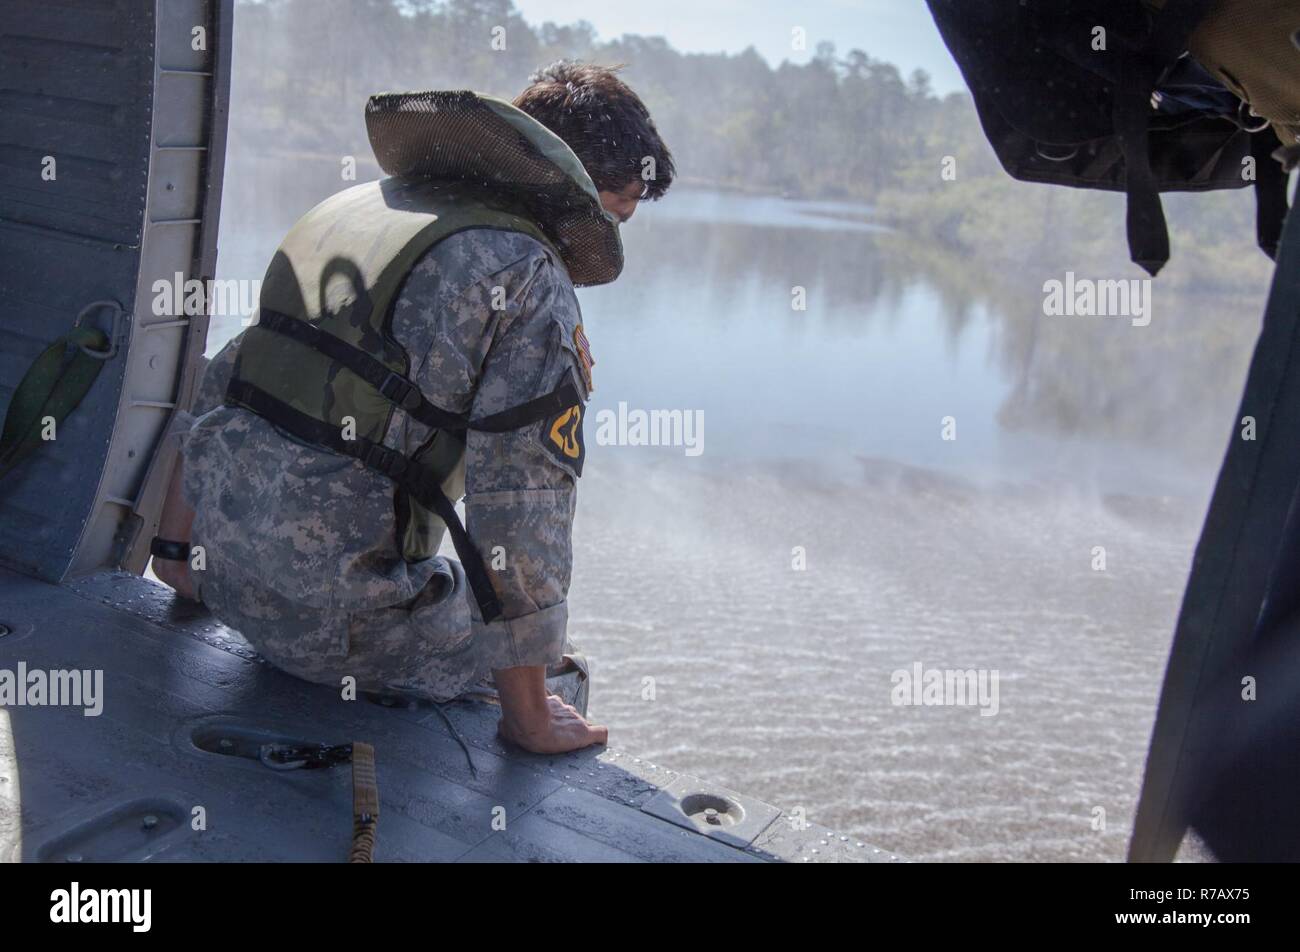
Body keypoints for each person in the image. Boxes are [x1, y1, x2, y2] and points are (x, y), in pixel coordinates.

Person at [151, 63, 674, 755]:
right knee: (560, 668)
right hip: (337, 626)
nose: (611, 230)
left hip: (218, 577)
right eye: (614, 208)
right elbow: (523, 508)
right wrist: (531, 718)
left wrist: (177, 560)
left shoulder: (359, 212)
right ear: (573, 181)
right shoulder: (525, 277)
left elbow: (226, 385)